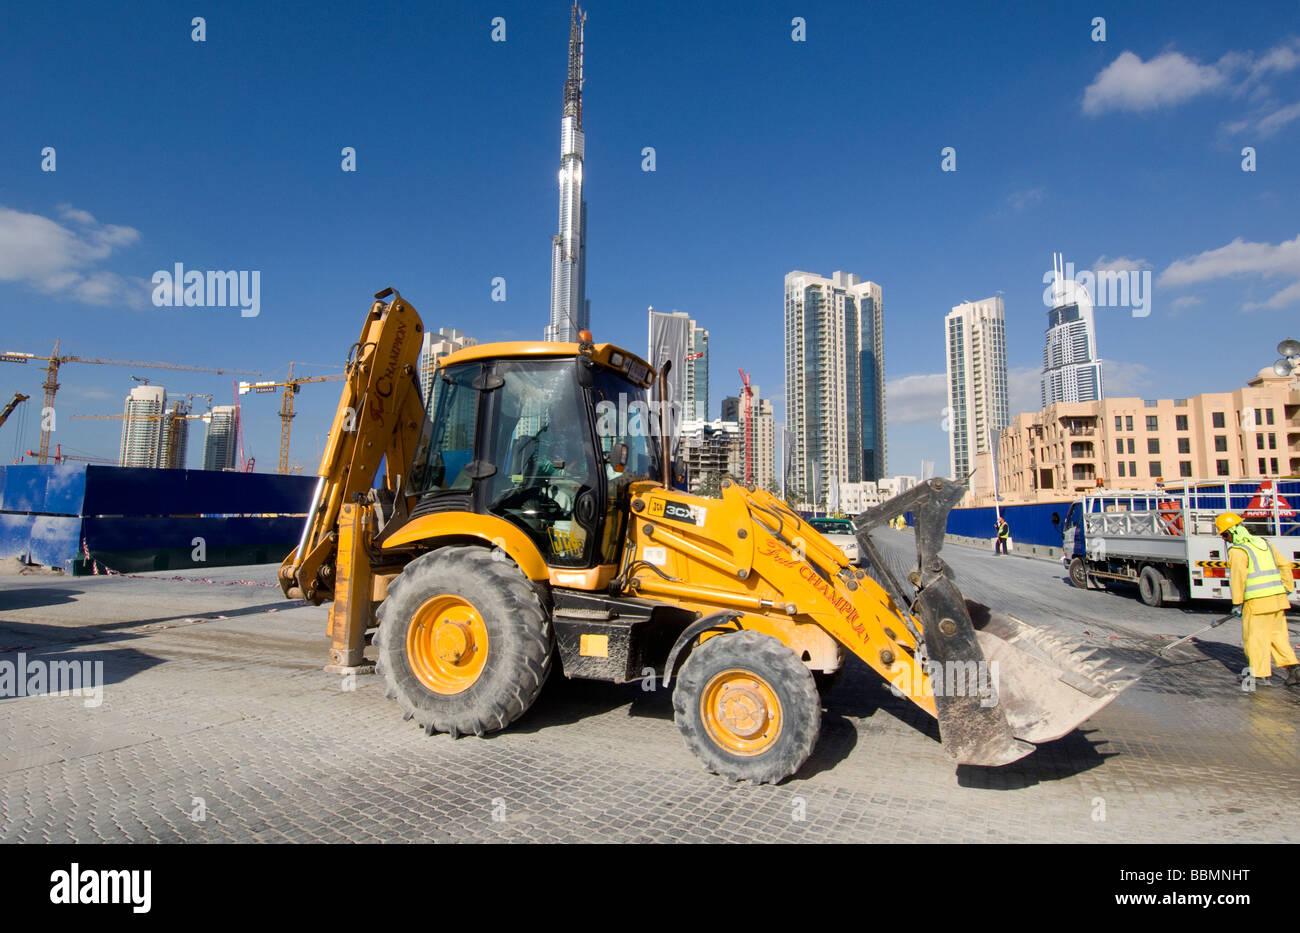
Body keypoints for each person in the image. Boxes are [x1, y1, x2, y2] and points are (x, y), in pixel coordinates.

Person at [1216, 512, 1299, 688]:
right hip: (1278, 600)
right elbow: (1284, 565)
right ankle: (1295, 670)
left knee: (1255, 638)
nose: (1225, 539)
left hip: (1257, 603)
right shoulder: (1264, 543)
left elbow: (1238, 578)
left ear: (1234, 531)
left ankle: (1259, 675)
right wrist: (1287, 587)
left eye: (1224, 534)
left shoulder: (1238, 551)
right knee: (1278, 637)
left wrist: (1237, 603)